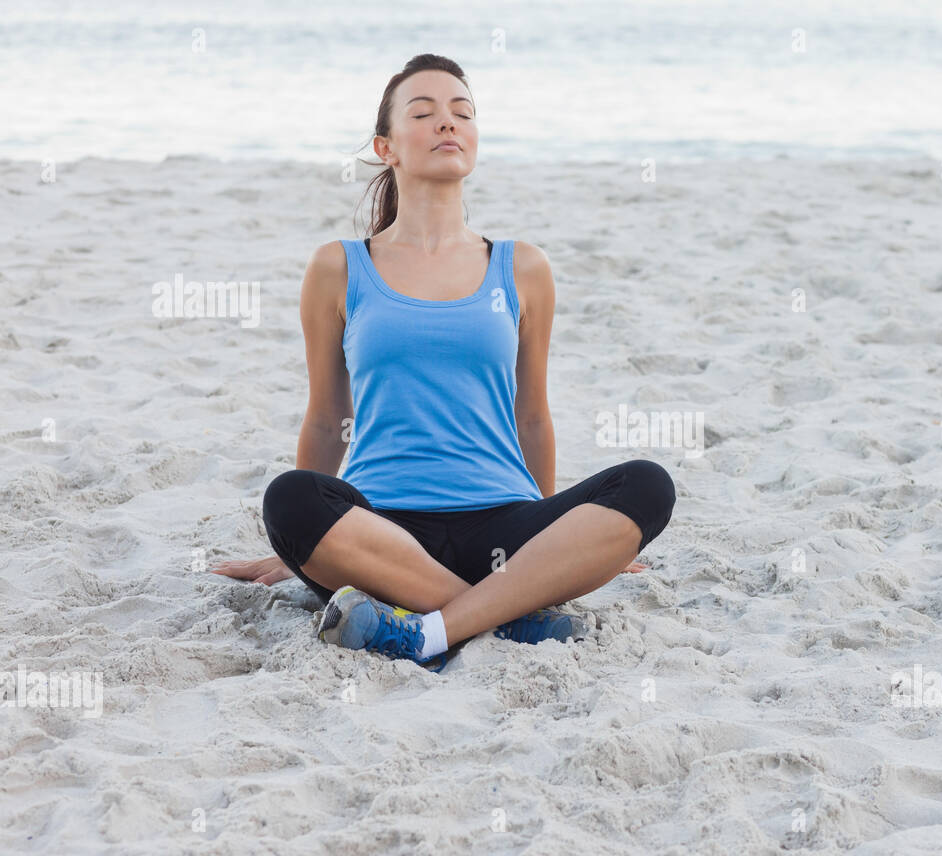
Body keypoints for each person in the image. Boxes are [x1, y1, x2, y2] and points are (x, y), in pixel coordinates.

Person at [211, 54, 676, 671]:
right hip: (385, 535)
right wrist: (298, 550)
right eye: (424, 113)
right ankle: (507, 616)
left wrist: (552, 539)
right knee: (289, 499)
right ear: (386, 146)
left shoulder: (522, 267)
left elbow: (532, 416)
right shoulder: (339, 268)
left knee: (648, 484)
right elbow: (327, 420)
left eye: (462, 113)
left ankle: (427, 629)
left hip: (506, 531)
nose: (447, 124)